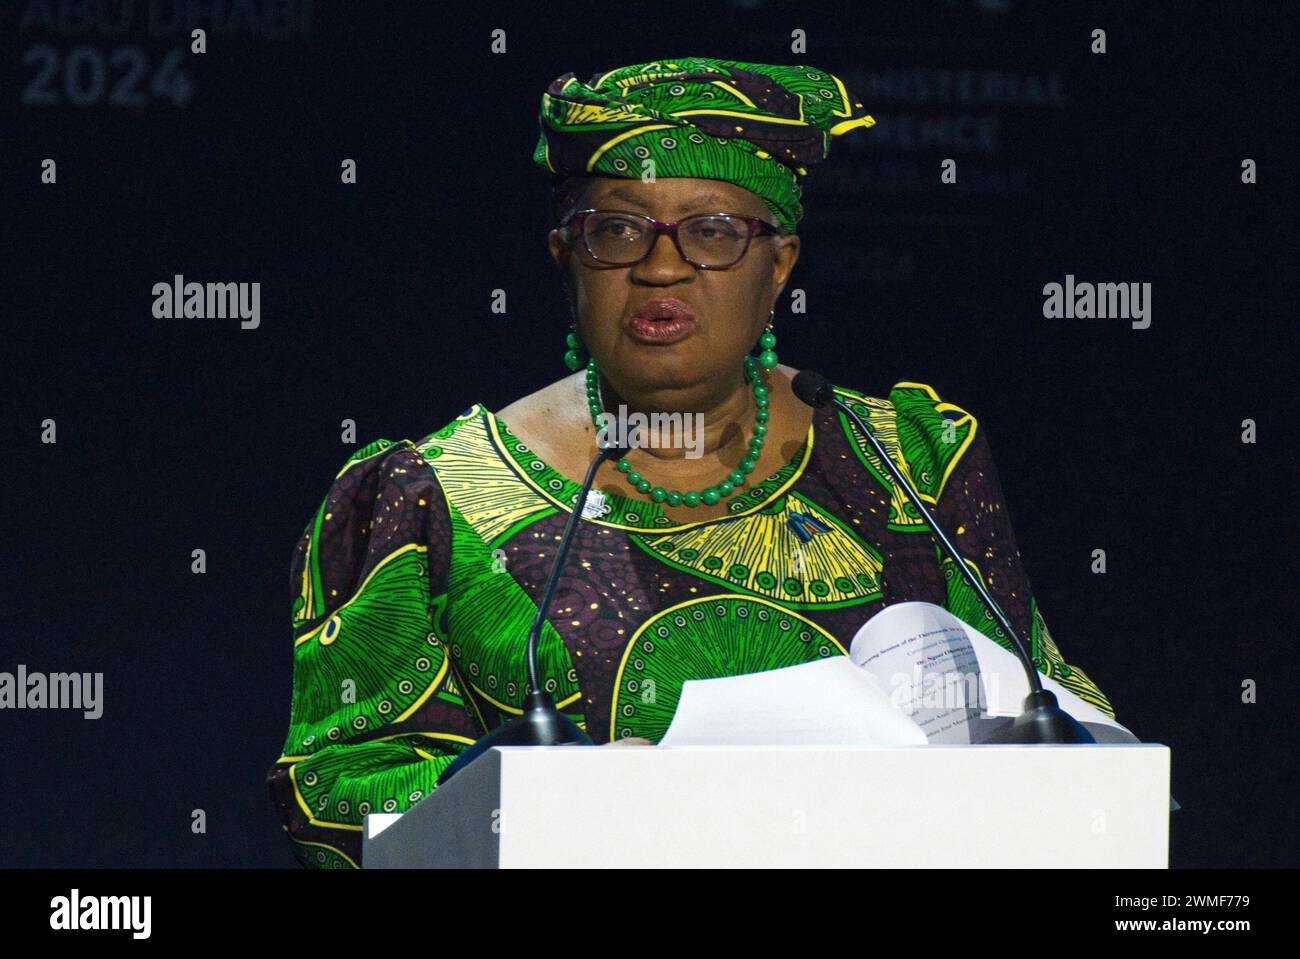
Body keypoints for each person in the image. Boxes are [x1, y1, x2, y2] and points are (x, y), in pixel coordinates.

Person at [266, 56, 1116, 869]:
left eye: (712, 231)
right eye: (618, 230)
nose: (662, 265)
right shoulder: (426, 499)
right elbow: (339, 801)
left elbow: (1055, 717)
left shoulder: (909, 461)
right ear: (568, 257)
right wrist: (558, 802)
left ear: (778, 264)